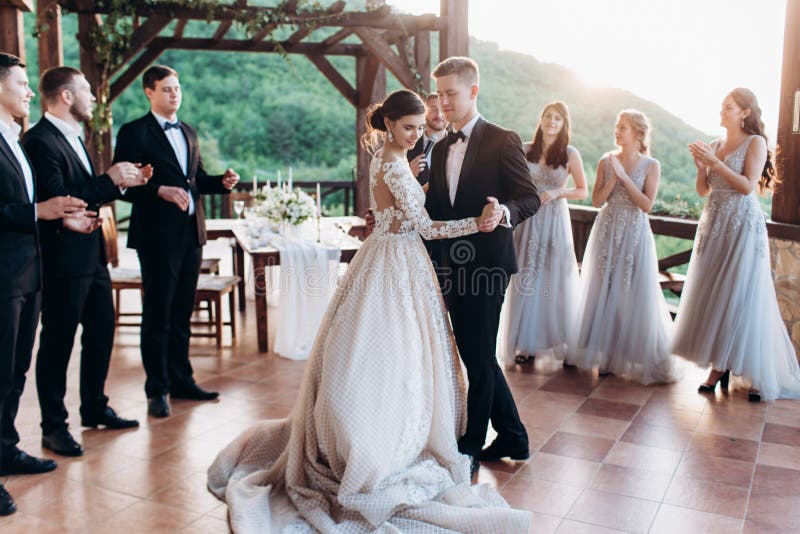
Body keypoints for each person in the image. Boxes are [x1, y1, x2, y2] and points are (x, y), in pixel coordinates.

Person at [208, 89, 530, 533]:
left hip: (385, 257)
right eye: (410, 128)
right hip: (400, 263)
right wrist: (477, 222)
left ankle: (394, 429)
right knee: (396, 353)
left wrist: (417, 183)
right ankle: (383, 441)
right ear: (390, 125)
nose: (418, 135)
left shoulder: (388, 159)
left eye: (421, 127)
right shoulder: (396, 164)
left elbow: (398, 204)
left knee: (387, 352)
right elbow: (428, 229)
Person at [22, 66, 149, 457]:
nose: (93, 97)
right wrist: (109, 180)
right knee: (58, 342)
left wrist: (122, 183)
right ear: (65, 96)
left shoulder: (76, 137)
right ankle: (53, 427)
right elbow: (61, 198)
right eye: (86, 90)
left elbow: (86, 193)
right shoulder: (40, 141)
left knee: (101, 331)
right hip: (61, 260)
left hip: (91, 256)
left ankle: (94, 406)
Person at [425, 57, 540, 470]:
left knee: (479, 354)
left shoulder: (503, 139)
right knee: (478, 355)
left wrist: (503, 212)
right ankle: (513, 436)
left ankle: (472, 444)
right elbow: (436, 209)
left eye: (450, 93)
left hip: (489, 265)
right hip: (451, 268)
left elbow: (530, 198)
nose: (443, 102)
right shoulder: (439, 151)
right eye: (438, 94)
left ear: (473, 91)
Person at [113, 65, 239, 418]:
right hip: (155, 237)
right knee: (157, 314)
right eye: (167, 89)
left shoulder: (188, 131)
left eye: (177, 88)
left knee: (183, 312)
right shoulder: (134, 132)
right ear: (149, 93)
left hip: (190, 236)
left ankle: (182, 380)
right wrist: (159, 191)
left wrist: (220, 182)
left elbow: (193, 179)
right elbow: (121, 185)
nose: (174, 94)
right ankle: (157, 389)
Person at [0, 52, 95, 516]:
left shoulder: (14, 138)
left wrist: (59, 219)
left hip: (29, 271)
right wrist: (36, 212)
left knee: (15, 371)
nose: (28, 91)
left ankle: (6, 448)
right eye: (21, 83)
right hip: (4, 274)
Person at [673, 88, 800, 402]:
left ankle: (757, 372)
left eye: (728, 106)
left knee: (742, 294)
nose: (722, 110)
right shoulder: (715, 144)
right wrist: (702, 167)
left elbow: (746, 186)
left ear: (745, 112)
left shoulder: (754, 142)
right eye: (722, 106)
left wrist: (714, 162)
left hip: (742, 224)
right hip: (714, 224)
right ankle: (718, 366)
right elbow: (704, 190)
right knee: (715, 293)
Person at [569, 109, 677, 385]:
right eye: (617, 126)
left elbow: (646, 205)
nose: (617, 131)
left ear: (638, 133)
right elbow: (596, 200)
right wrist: (614, 177)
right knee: (603, 286)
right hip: (607, 228)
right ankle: (604, 354)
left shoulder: (651, 165)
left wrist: (625, 178)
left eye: (623, 127)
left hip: (634, 231)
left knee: (631, 289)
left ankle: (630, 354)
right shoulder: (607, 161)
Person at [499, 101, 587, 366]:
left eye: (558, 118)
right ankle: (524, 344)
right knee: (525, 275)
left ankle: (560, 342)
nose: (552, 121)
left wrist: (558, 192)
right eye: (548, 116)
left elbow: (583, 190)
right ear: (541, 119)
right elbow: (508, 182)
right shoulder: (525, 149)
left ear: (564, 125)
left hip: (555, 220)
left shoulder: (571, 154)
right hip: (528, 219)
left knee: (553, 277)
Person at [406, 92, 447, 186]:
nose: (439, 115)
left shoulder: (459, 143)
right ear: (424, 113)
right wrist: (410, 174)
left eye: (443, 110)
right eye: (433, 109)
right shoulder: (408, 145)